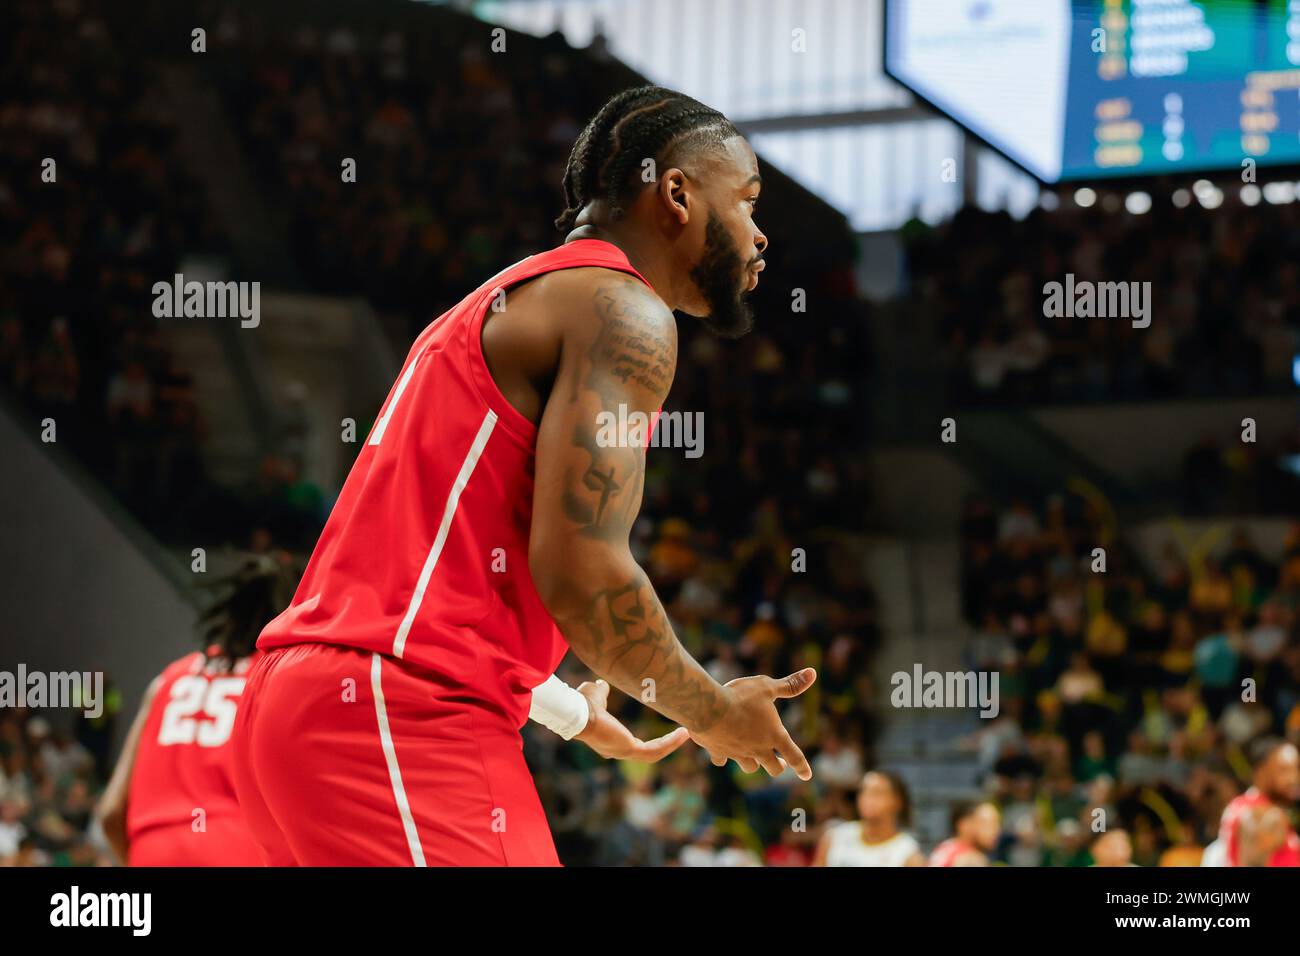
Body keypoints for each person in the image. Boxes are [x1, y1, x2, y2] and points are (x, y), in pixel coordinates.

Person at [232, 86, 814, 867]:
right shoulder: (623, 312)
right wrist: (713, 712)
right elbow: (583, 572)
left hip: (309, 707)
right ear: (676, 194)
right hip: (399, 711)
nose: (760, 232)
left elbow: (422, 574)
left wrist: (568, 709)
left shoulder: (503, 300)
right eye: (745, 200)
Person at [95, 557, 290, 865]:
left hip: (152, 849)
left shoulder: (166, 681)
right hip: (236, 850)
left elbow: (109, 813)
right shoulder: (276, 682)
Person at [1204, 737, 1300, 867]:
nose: (1294, 778)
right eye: (1284, 770)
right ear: (1261, 772)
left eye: (1296, 769)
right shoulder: (1261, 816)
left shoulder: (1245, 806)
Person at [812, 770, 925, 866]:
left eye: (877, 793)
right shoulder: (834, 837)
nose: (868, 798)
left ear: (898, 801)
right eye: (864, 791)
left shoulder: (908, 853)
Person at [930, 800, 1002, 866]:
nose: (996, 830)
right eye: (988, 824)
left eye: (997, 824)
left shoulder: (945, 847)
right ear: (964, 825)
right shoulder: (971, 859)